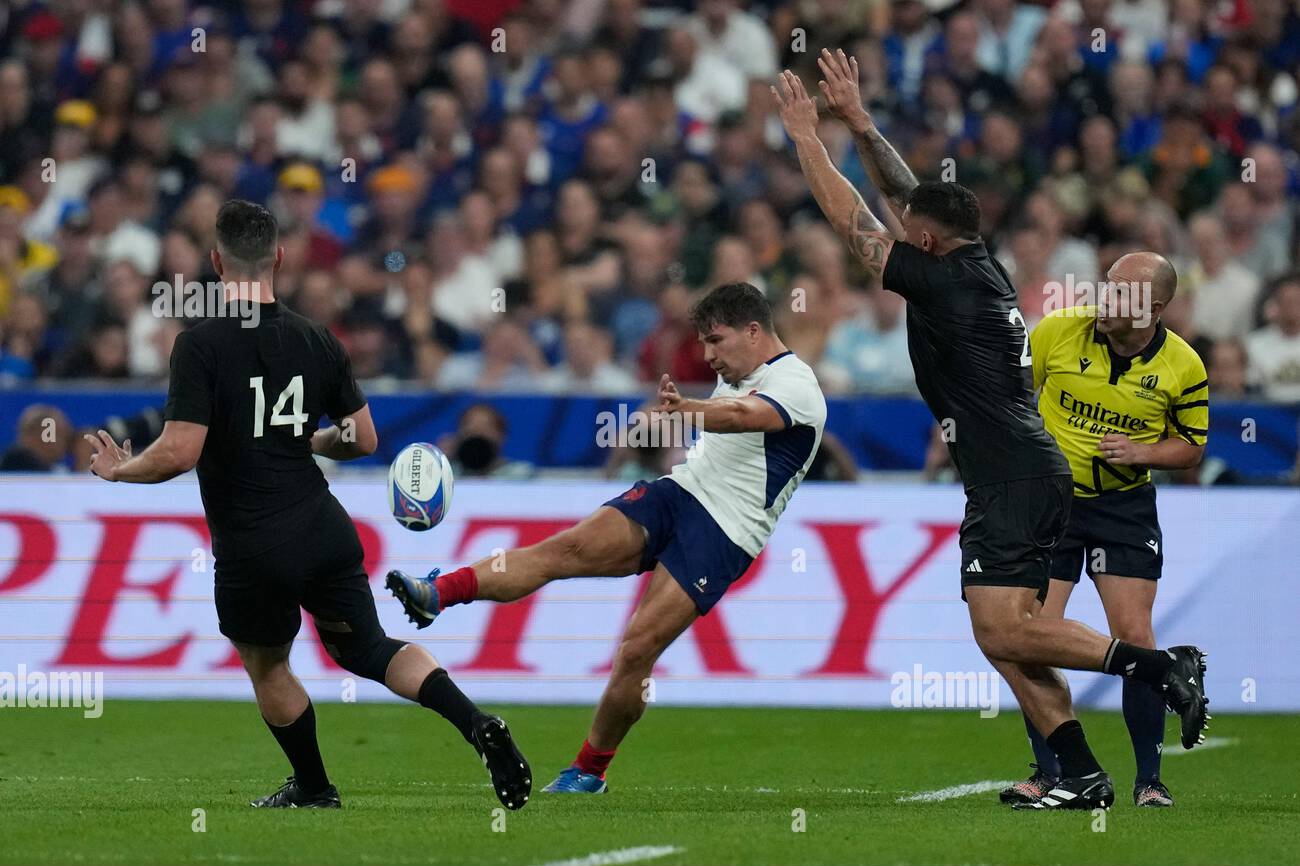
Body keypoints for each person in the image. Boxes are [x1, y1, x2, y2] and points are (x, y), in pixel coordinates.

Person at [772, 51, 1208, 810]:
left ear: (929, 245)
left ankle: (1159, 664)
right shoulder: (976, 262)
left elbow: (853, 221)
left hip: (1011, 472)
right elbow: (904, 195)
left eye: (912, 233)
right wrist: (862, 122)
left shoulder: (944, 278)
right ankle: (1081, 772)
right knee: (1001, 632)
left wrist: (809, 137)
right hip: (1017, 467)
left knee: (1010, 629)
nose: (902, 233)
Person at [84, 200, 531, 812]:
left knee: (269, 665)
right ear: (280, 258)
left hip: (252, 544)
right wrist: (310, 440)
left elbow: (180, 452)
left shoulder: (200, 345)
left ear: (217, 263)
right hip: (324, 528)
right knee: (371, 650)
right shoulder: (317, 339)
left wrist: (121, 471)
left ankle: (315, 788)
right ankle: (476, 722)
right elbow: (364, 439)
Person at [387, 282, 826, 793]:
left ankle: (588, 772)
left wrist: (687, 409)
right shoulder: (738, 372)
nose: (707, 355)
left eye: (716, 341)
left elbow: (745, 415)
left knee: (637, 649)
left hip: (723, 532)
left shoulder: (797, 384)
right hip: (677, 493)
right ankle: (438, 593)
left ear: (754, 332)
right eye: (703, 342)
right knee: (562, 549)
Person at [1007, 252, 1208, 808]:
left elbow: (1192, 449)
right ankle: (1052, 771)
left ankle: (1150, 781)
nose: (1105, 299)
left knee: (1135, 635)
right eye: (1106, 286)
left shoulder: (1183, 365)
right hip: (1053, 508)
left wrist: (1141, 450)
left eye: (1122, 294)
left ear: (1155, 308)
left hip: (1125, 509)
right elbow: (1015, 399)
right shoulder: (1056, 333)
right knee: (1032, 636)